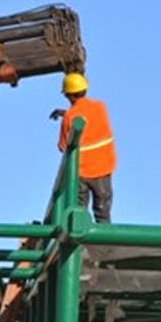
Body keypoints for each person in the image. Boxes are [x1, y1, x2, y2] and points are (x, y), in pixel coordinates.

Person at [50, 72, 116, 222]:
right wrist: (67, 113)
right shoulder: (100, 107)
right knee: (103, 209)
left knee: (79, 210)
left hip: (81, 171)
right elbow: (87, 116)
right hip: (103, 167)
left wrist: (66, 115)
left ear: (67, 95)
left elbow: (63, 146)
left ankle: (80, 232)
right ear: (85, 89)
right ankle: (104, 233)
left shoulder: (69, 117)